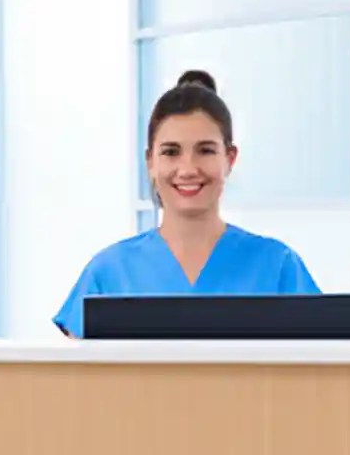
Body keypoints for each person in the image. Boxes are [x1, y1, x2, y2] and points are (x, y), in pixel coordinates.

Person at [53, 69, 320, 338]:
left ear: (230, 159)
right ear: (150, 162)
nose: (188, 169)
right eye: (171, 152)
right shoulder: (108, 274)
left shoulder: (278, 267)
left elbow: (319, 360)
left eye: (205, 151)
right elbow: (76, 365)